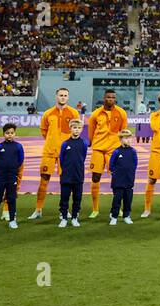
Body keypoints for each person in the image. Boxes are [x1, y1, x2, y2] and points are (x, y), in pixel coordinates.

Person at [29, 85, 79, 220]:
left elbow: (76, 131)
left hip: (66, 154)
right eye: (61, 95)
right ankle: (38, 209)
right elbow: (44, 131)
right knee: (44, 180)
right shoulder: (48, 113)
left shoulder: (74, 113)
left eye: (65, 95)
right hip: (49, 152)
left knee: (66, 182)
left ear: (68, 97)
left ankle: (64, 210)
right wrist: (52, 142)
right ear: (56, 96)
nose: (63, 97)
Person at [86, 90, 128, 219]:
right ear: (104, 98)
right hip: (98, 149)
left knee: (116, 179)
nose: (111, 99)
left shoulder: (121, 113)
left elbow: (124, 131)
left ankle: (118, 208)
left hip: (114, 150)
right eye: (108, 97)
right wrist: (95, 144)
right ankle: (95, 209)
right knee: (95, 178)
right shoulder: (96, 113)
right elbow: (91, 131)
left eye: (113, 97)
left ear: (115, 99)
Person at [0, 123, 25, 230]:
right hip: (0, 177)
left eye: (12, 133)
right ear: (3, 134)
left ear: (15, 134)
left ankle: (12, 220)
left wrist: (12, 169)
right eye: (7, 133)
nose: (10, 135)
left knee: (12, 199)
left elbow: (20, 160)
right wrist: (0, 170)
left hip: (12, 177)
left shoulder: (18, 146)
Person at [57, 117, 87, 227]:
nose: (77, 130)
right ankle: (64, 218)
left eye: (79, 128)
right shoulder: (65, 144)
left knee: (77, 198)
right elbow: (61, 158)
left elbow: (82, 157)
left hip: (78, 175)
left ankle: (75, 217)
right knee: (64, 198)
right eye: (75, 128)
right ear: (70, 128)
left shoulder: (84, 143)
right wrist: (66, 170)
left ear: (82, 129)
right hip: (66, 176)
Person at [108, 129, 138, 225]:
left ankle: (126, 216)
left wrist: (130, 174)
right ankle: (114, 216)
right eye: (126, 138)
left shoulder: (133, 151)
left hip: (129, 180)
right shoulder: (116, 151)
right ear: (121, 139)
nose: (128, 140)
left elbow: (135, 164)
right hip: (118, 181)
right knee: (117, 200)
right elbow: (111, 165)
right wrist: (116, 174)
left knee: (128, 200)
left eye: (130, 138)